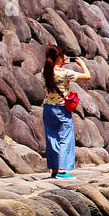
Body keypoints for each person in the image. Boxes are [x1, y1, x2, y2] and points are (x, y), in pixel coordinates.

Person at [42, 47, 90, 179]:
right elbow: (87, 76)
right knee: (64, 138)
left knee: (52, 138)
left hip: (48, 109)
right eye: (63, 56)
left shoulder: (44, 72)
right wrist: (83, 65)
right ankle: (62, 171)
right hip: (61, 109)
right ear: (58, 58)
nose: (65, 58)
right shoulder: (64, 73)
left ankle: (54, 169)